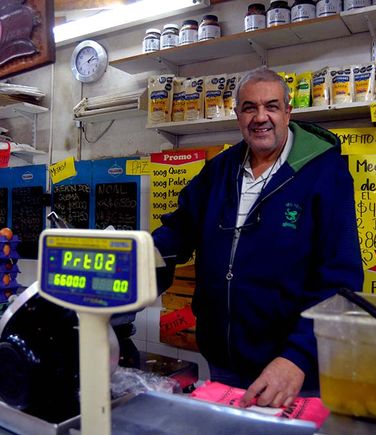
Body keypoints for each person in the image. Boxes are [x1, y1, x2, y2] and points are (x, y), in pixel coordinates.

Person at [152, 67, 363, 409]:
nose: (260, 117)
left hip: (291, 371)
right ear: (237, 115)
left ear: (288, 112)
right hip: (223, 360)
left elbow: (341, 280)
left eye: (272, 106)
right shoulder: (219, 170)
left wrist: (297, 357)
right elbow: (178, 230)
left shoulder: (326, 173)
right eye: (250, 107)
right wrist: (139, 258)